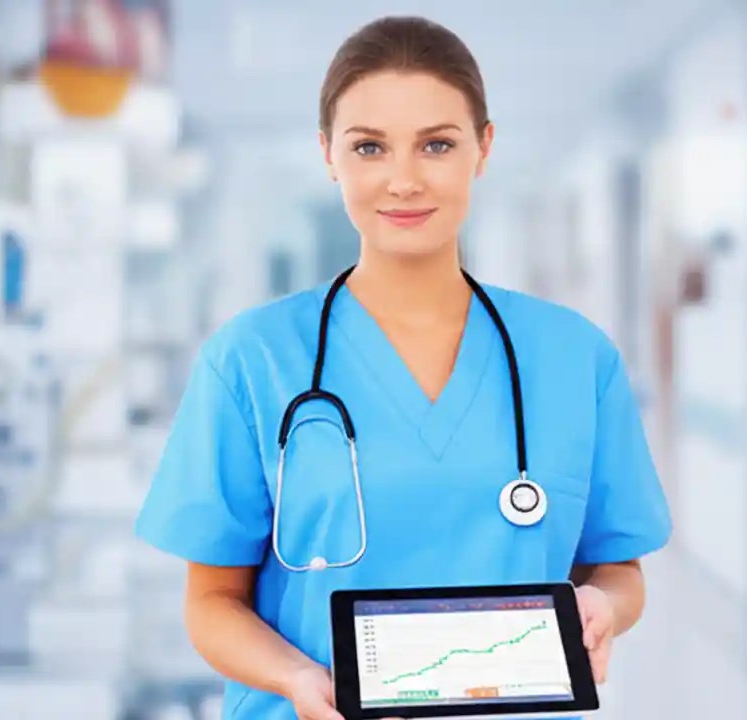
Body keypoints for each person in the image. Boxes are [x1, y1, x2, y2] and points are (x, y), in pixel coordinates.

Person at [135, 16, 672, 720]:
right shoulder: (251, 360)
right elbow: (211, 602)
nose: (403, 180)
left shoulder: (575, 358)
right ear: (329, 154)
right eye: (369, 147)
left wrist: (604, 605)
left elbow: (617, 569)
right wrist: (296, 677)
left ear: (483, 148)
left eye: (437, 144)